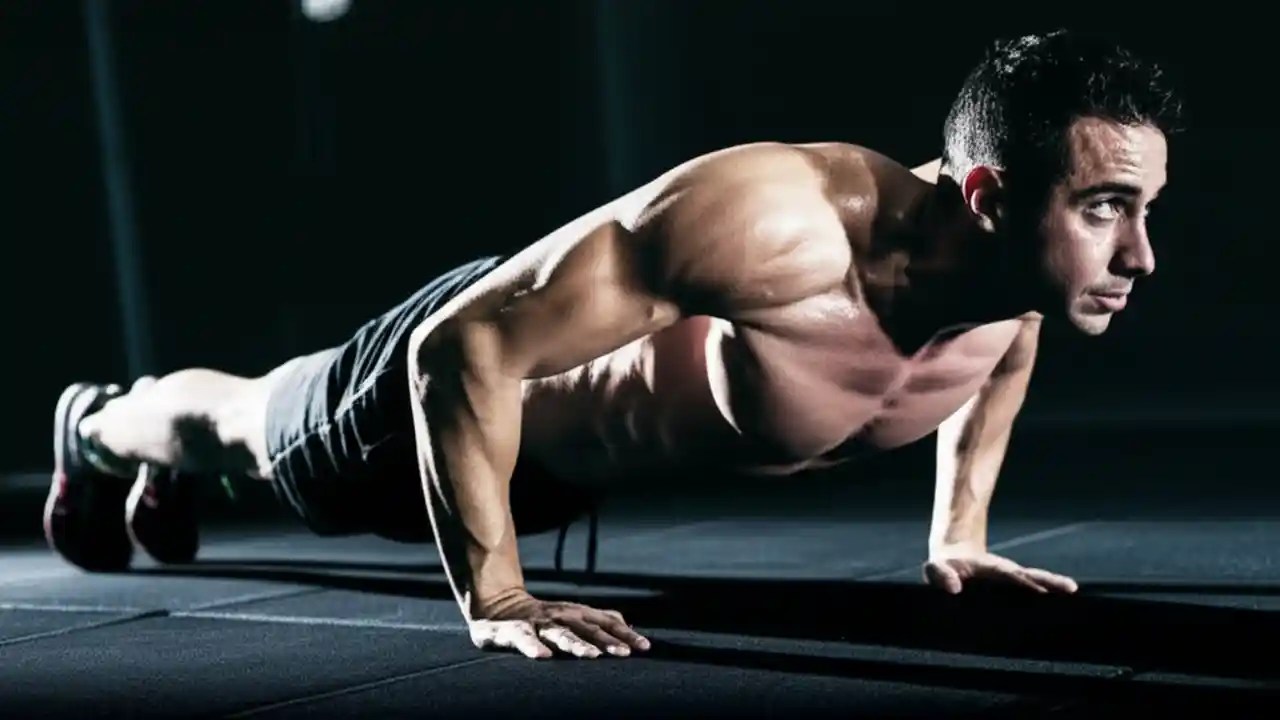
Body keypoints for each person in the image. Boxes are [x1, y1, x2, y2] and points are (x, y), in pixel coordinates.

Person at [46, 29, 1181, 660]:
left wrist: (960, 533)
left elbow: (1000, 357)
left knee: (252, 444)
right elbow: (457, 352)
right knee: (250, 432)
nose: (1138, 257)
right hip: (439, 406)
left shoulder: (1009, 281)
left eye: (1144, 211)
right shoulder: (777, 219)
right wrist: (496, 600)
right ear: (985, 194)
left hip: (548, 474)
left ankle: (146, 443)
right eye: (1102, 209)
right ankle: (101, 426)